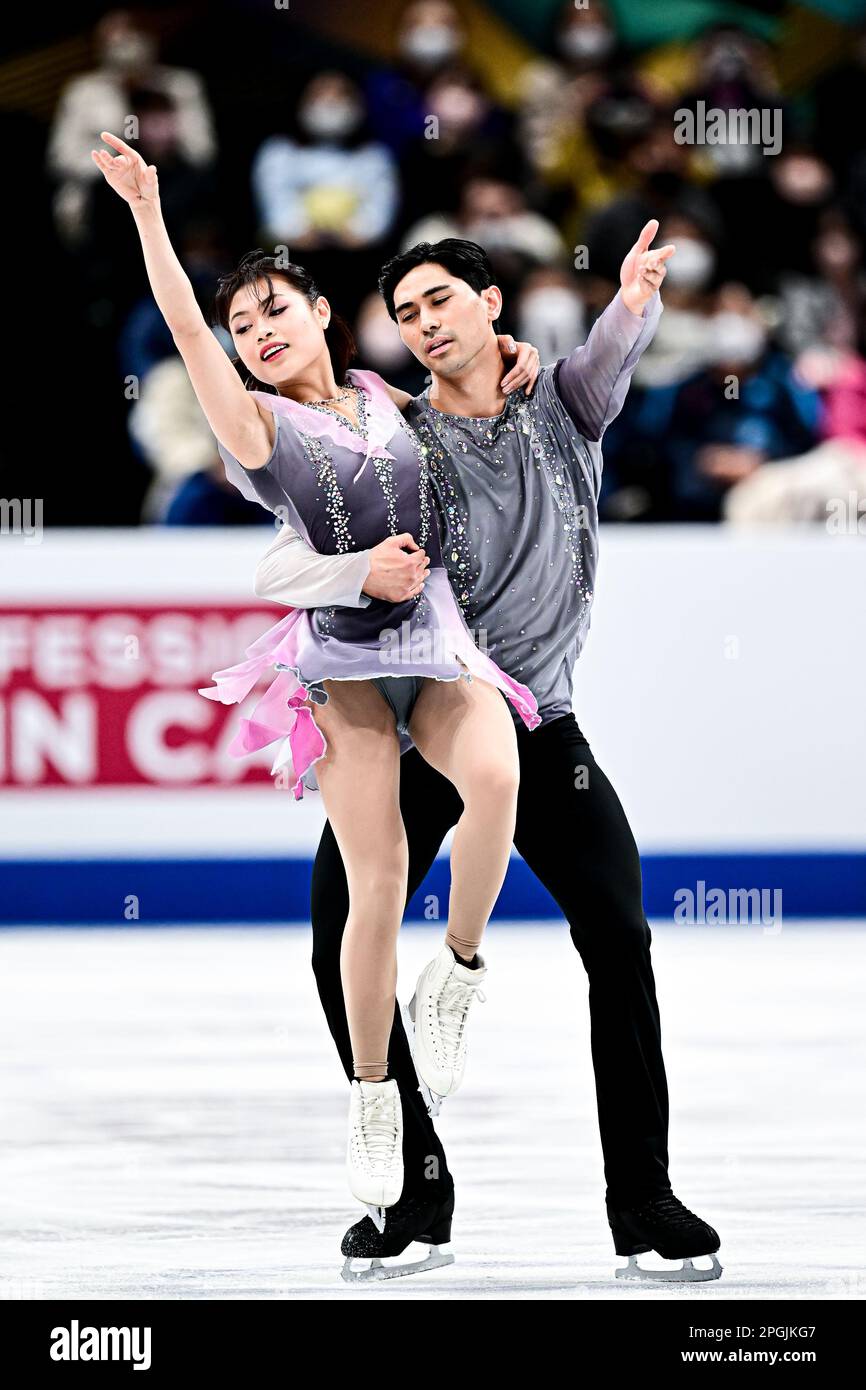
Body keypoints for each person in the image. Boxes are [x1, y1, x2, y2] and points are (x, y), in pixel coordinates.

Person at [252, 233, 725, 1284]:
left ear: (489, 304)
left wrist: (634, 299)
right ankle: (416, 1193)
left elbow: (609, 351)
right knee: (339, 937)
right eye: (407, 311)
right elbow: (317, 471)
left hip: (543, 729)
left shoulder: (562, 405)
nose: (425, 322)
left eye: (441, 300)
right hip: (433, 721)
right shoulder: (397, 439)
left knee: (618, 935)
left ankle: (642, 1202)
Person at [91, 131, 541, 1232]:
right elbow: (191, 339)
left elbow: (472, 375)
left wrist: (509, 355)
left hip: (431, 639)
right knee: (375, 875)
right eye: (244, 326)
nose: (256, 332)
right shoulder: (256, 425)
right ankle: (371, 1093)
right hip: (339, 658)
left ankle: (464, 971)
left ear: (322, 313)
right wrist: (149, 215)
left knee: (495, 774)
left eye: (274, 311)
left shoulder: (385, 395)